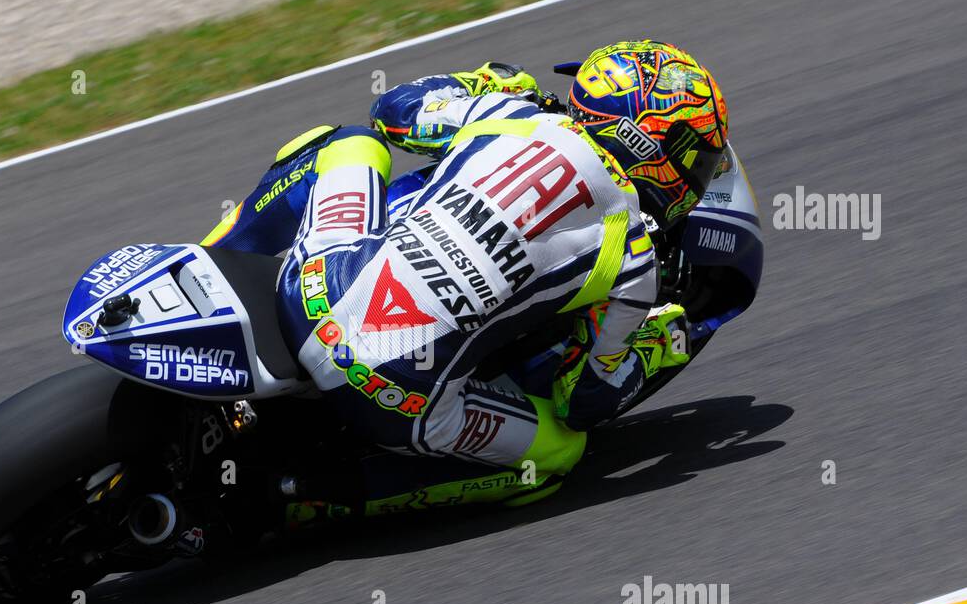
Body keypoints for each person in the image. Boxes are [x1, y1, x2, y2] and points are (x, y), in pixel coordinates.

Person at [203, 41, 729, 515]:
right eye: (700, 162)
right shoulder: (634, 256)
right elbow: (583, 404)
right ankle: (303, 497)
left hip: (312, 290)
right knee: (560, 454)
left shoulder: (509, 114)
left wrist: (480, 82)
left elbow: (393, 110)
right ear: (651, 145)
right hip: (387, 395)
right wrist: (662, 346)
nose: (701, 178)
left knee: (347, 143)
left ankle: (207, 265)